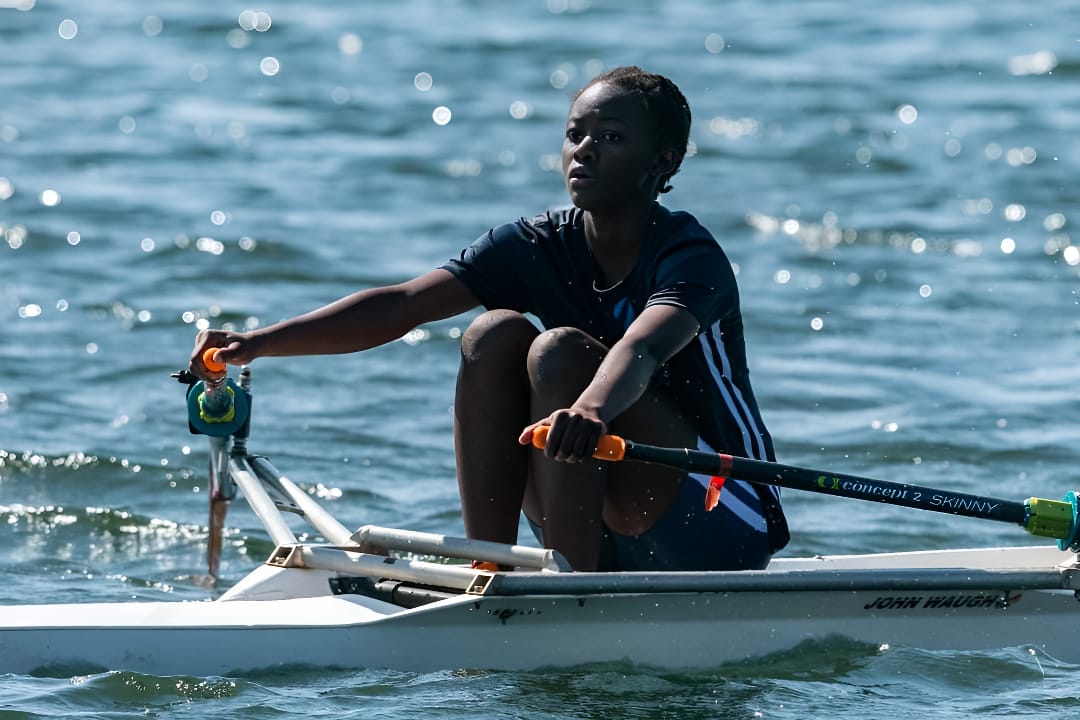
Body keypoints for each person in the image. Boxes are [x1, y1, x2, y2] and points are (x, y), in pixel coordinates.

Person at [189, 65, 789, 572]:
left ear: (665, 159)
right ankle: (492, 566)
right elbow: (401, 307)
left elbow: (642, 350)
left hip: (720, 512)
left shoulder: (690, 256)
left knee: (559, 354)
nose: (583, 149)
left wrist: (590, 410)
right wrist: (255, 343)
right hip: (594, 503)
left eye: (610, 137)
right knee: (493, 333)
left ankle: (569, 594)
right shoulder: (533, 244)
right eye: (574, 134)